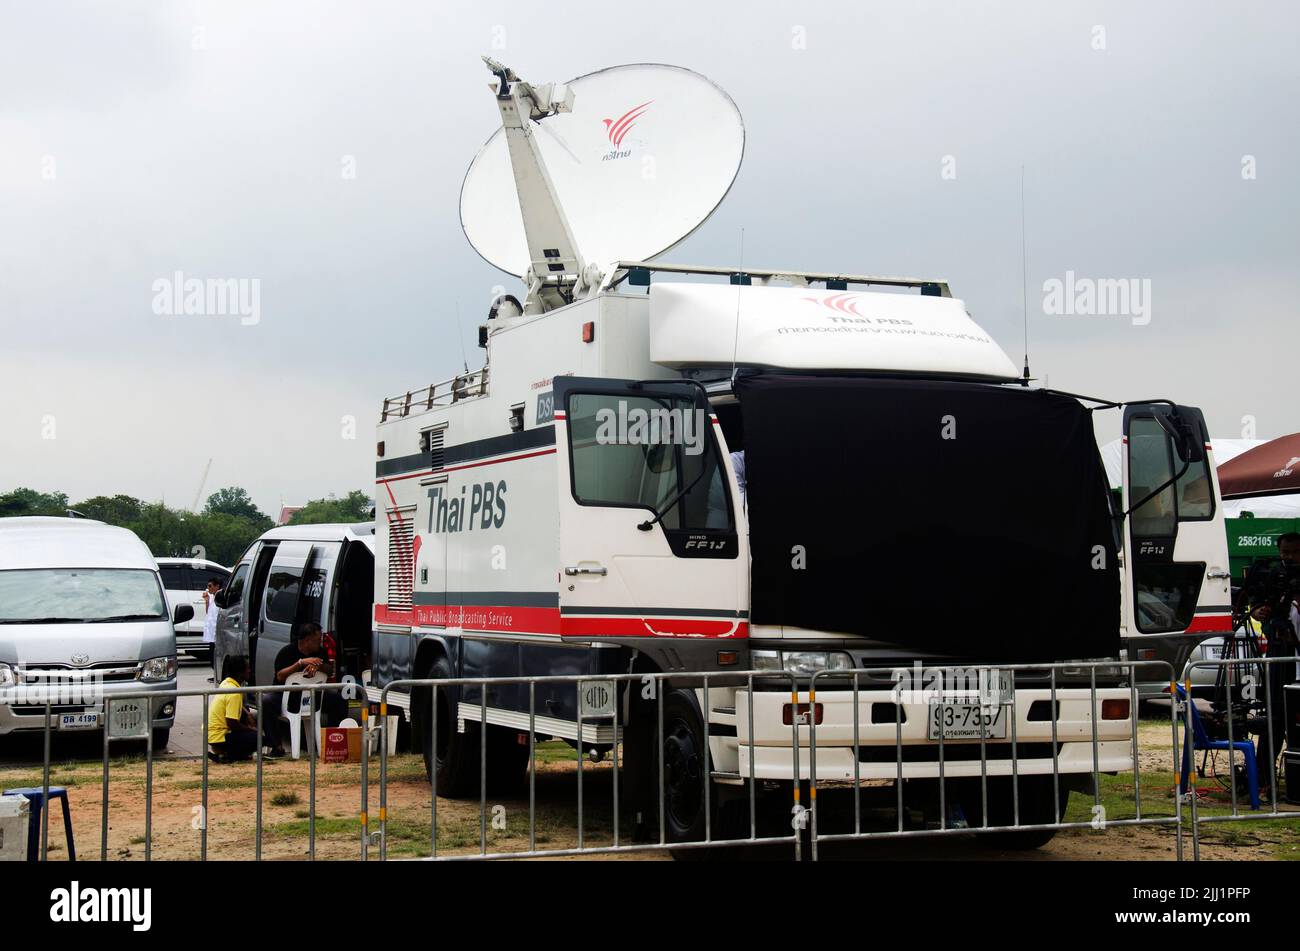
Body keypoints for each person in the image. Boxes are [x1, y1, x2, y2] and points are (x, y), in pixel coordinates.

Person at [1248, 532, 1300, 780]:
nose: (1289, 558)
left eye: (1294, 552)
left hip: (1295, 655)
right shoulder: (1273, 576)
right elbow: (1257, 603)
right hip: (1279, 654)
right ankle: (1263, 776)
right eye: (1285, 553)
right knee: (1275, 716)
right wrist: (1258, 610)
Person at [260, 621, 347, 756]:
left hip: (313, 697)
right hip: (288, 698)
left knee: (339, 700)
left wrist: (319, 665)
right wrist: (300, 663)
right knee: (266, 702)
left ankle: (333, 742)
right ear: (307, 640)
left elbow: (330, 671)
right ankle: (276, 746)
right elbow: (280, 677)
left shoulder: (320, 652)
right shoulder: (287, 652)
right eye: (317, 640)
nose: (320, 643)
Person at [208, 655, 258, 762]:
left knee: (250, 730)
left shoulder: (226, 683)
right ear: (240, 673)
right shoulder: (234, 692)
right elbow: (232, 723)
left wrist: (247, 714)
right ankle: (229, 756)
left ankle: (227, 753)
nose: (249, 671)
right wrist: (251, 730)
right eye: (247, 668)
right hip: (220, 736)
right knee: (259, 738)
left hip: (212, 734)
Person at [202, 577, 222, 682]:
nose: (208, 588)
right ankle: (215, 674)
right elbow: (208, 613)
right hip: (211, 633)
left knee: (215, 654)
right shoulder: (213, 598)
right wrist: (207, 601)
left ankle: (218, 675)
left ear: (217, 586)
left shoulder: (220, 598)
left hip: (217, 632)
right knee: (211, 654)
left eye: (210, 586)